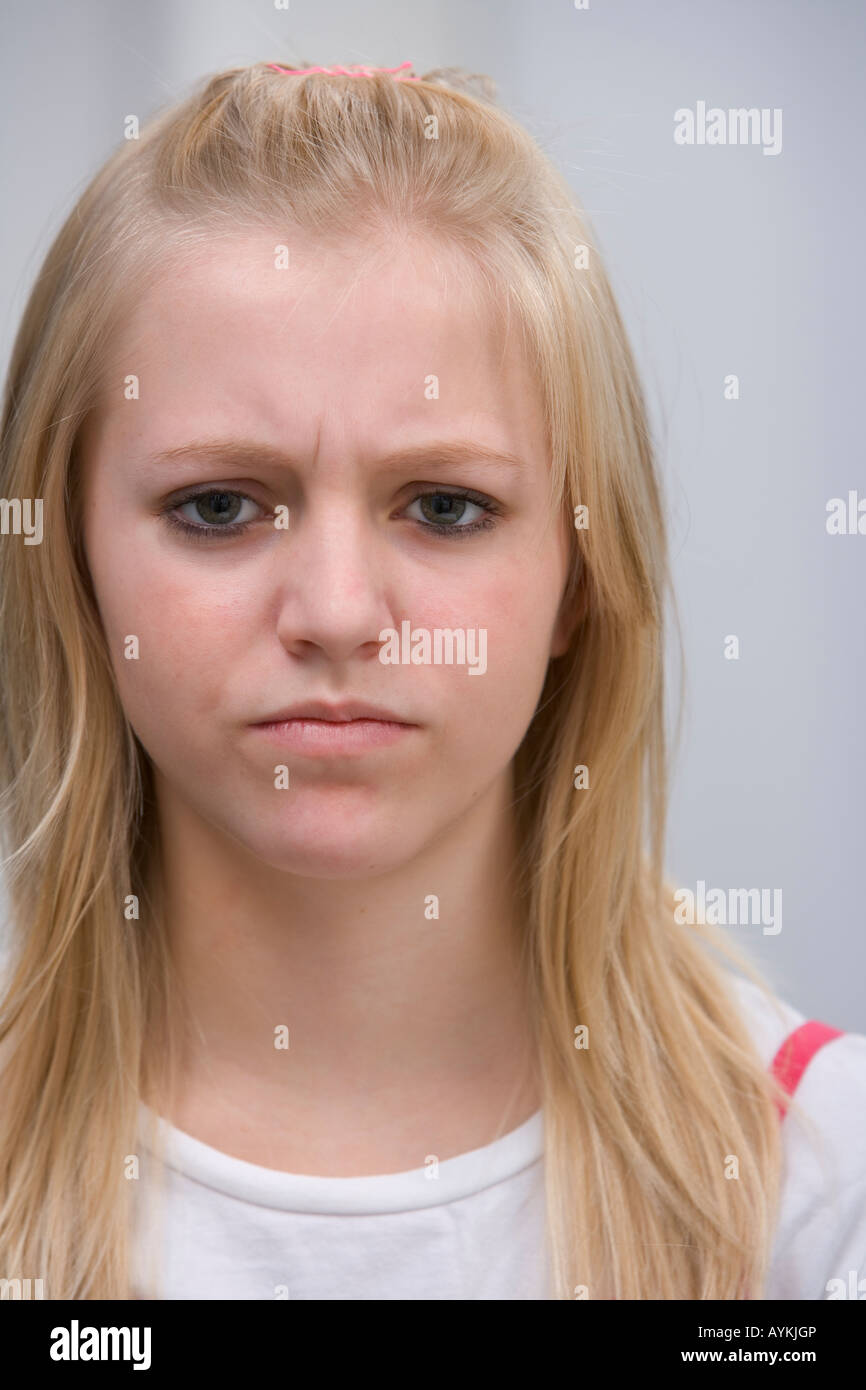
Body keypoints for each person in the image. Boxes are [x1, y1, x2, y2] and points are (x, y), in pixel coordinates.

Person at [0, 59, 863, 1301]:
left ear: (580, 570)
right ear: (72, 561)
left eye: (446, 506)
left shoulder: (817, 1189)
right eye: (220, 505)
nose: (339, 614)